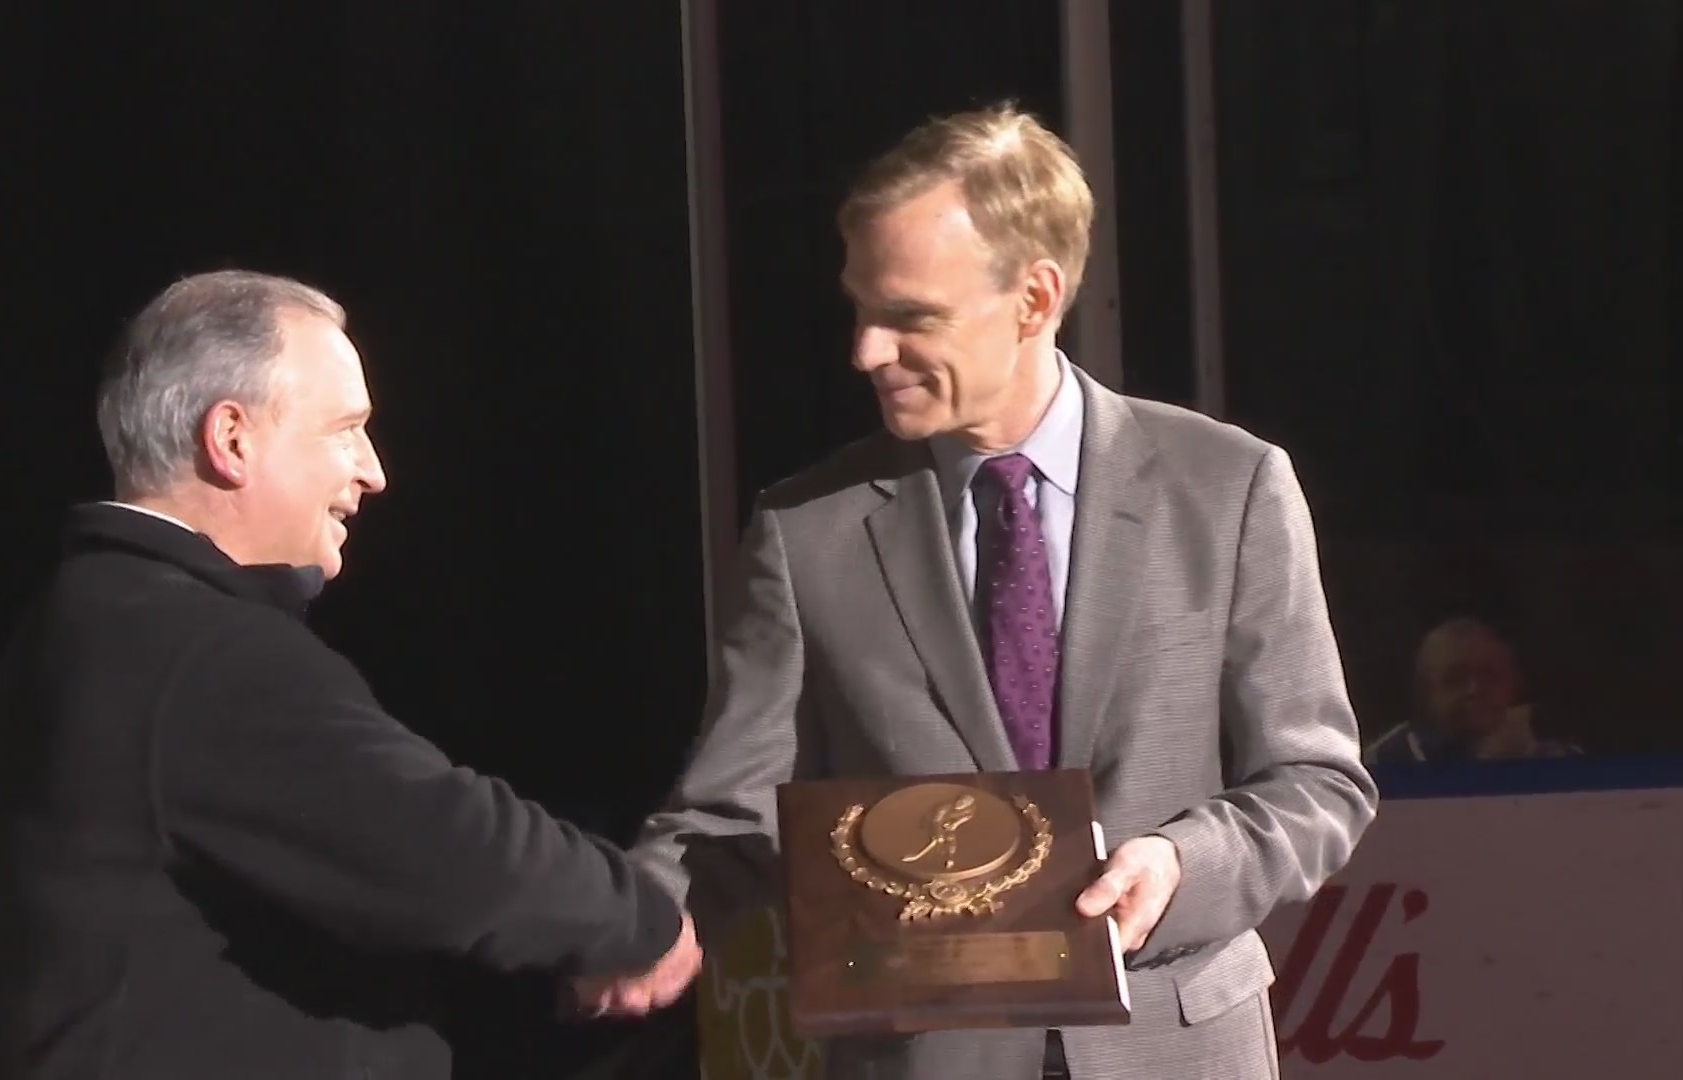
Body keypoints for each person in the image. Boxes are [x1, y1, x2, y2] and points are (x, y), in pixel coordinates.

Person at [595, 104, 1379, 1080]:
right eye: (860, 309)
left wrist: (1181, 865)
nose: (866, 352)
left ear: (1035, 297)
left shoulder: (1228, 488)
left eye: (910, 317)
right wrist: (630, 916)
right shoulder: (809, 530)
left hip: (1177, 1044)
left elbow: (1317, 785)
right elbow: (727, 814)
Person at [0, 270, 700, 1080]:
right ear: (233, 440)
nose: (372, 471)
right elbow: (446, 853)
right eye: (344, 429)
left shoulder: (99, 618)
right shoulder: (195, 649)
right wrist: (640, 920)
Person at [1366, 616, 1580, 763]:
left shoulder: (1559, 758)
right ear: (1426, 692)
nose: (1474, 689)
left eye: (1489, 675)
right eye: (1455, 678)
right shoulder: (1385, 760)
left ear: (1514, 684)